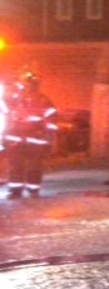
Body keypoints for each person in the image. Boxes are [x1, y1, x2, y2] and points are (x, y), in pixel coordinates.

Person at [5, 68, 58, 198]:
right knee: (15, 166)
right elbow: (5, 116)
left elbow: (51, 120)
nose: (26, 86)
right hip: (16, 138)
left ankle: (33, 189)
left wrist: (49, 138)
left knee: (34, 166)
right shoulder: (13, 99)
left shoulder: (44, 100)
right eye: (24, 84)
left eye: (29, 84)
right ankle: (16, 190)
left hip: (35, 138)